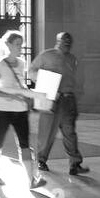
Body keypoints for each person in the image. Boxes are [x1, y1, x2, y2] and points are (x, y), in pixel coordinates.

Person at [0, 31, 46, 189]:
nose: (21, 47)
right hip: (2, 110)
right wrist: (12, 96)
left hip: (20, 111)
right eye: (18, 44)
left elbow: (20, 83)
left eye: (22, 44)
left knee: (25, 144)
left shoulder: (21, 63)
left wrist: (27, 94)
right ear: (8, 45)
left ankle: (32, 180)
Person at [28, 31, 89, 176]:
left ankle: (75, 164)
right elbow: (31, 71)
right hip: (51, 99)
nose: (68, 42)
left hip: (68, 99)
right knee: (47, 131)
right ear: (58, 41)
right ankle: (41, 160)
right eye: (64, 40)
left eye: (70, 40)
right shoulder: (46, 55)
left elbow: (76, 80)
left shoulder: (73, 58)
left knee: (70, 132)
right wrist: (44, 81)